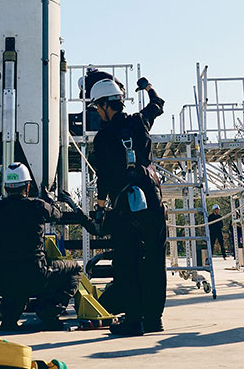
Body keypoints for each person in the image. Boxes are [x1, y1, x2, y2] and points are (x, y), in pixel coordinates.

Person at [88, 70, 166, 336]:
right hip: (153, 203)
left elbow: (103, 179)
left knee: (127, 264)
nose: (97, 113)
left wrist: (100, 210)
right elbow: (158, 104)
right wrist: (148, 86)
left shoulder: (103, 138)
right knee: (154, 261)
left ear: (106, 105)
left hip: (125, 209)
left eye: (97, 107)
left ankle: (133, 321)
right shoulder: (139, 122)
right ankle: (154, 320)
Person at [0, 163, 95, 330]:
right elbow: (57, 214)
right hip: (34, 274)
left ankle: (8, 315)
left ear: (6, 187)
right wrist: (49, 200)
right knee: (75, 269)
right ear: (27, 186)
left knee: (15, 282)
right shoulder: (37, 206)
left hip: (3, 277)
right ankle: (49, 309)